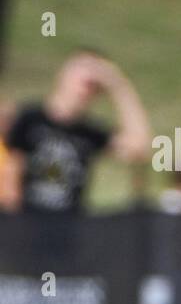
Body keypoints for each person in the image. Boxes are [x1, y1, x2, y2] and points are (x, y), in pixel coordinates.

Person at [0, 49, 151, 213]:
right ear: (64, 74)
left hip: (69, 228)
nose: (85, 84)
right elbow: (9, 176)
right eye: (81, 70)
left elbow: (139, 147)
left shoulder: (89, 132)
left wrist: (118, 85)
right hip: (26, 223)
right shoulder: (29, 119)